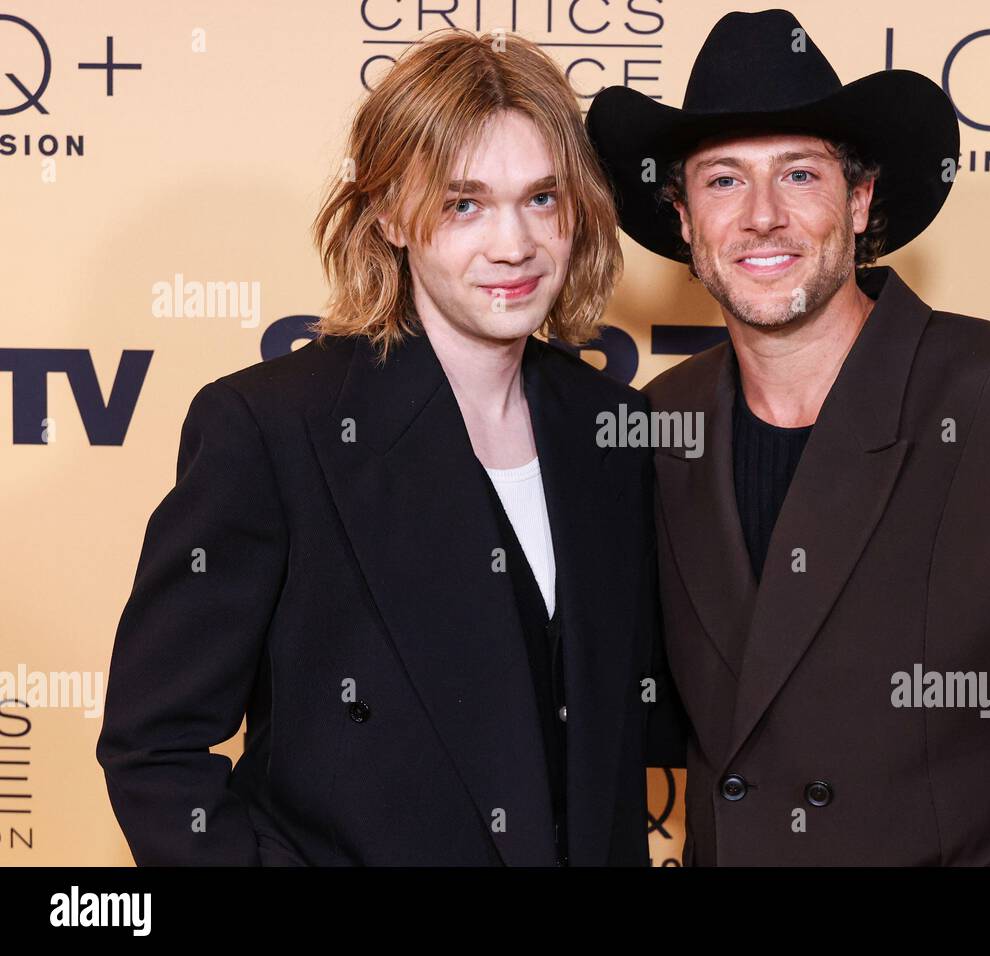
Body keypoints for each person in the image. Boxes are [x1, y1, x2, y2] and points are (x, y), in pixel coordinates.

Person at [586, 8, 990, 865]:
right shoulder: (654, 429)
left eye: (800, 175)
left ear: (860, 199)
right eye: (723, 180)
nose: (761, 216)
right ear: (685, 220)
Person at [96, 27, 680, 866]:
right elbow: (154, 750)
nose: (513, 245)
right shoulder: (273, 430)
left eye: (542, 199)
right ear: (389, 214)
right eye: (463, 203)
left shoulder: (612, 427)